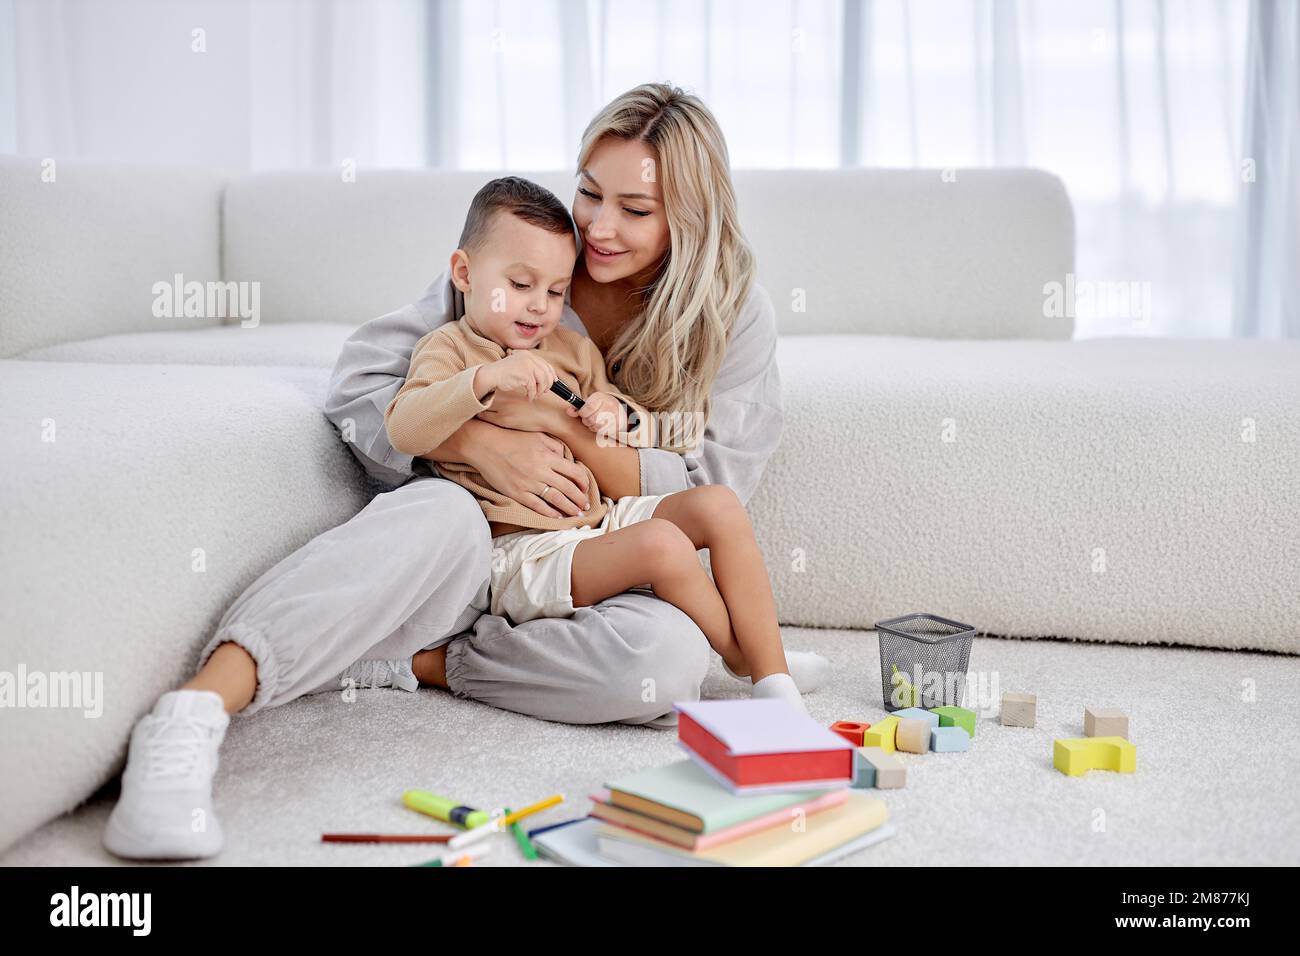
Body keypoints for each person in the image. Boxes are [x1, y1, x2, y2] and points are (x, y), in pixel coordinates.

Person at [103, 83, 824, 861]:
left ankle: (417, 658)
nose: (600, 228)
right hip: (475, 529)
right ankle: (194, 715)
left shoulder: (730, 310)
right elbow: (362, 392)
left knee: (669, 662)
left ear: (690, 215)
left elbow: (710, 479)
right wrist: (479, 444)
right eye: (588, 193)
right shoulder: (528, 258)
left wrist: (572, 433)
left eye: (636, 210)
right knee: (445, 514)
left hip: (600, 558)